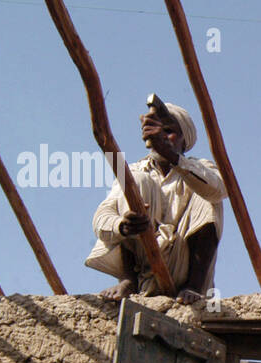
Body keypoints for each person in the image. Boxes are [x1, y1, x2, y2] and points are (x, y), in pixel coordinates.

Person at [86, 99, 224, 304]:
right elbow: (101, 218)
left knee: (206, 195)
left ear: (183, 140)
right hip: (145, 267)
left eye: (168, 131)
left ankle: (194, 286)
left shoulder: (198, 168)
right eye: (157, 131)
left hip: (182, 267)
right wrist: (123, 226)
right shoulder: (135, 171)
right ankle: (128, 281)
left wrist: (171, 154)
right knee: (134, 183)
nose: (162, 137)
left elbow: (220, 190)